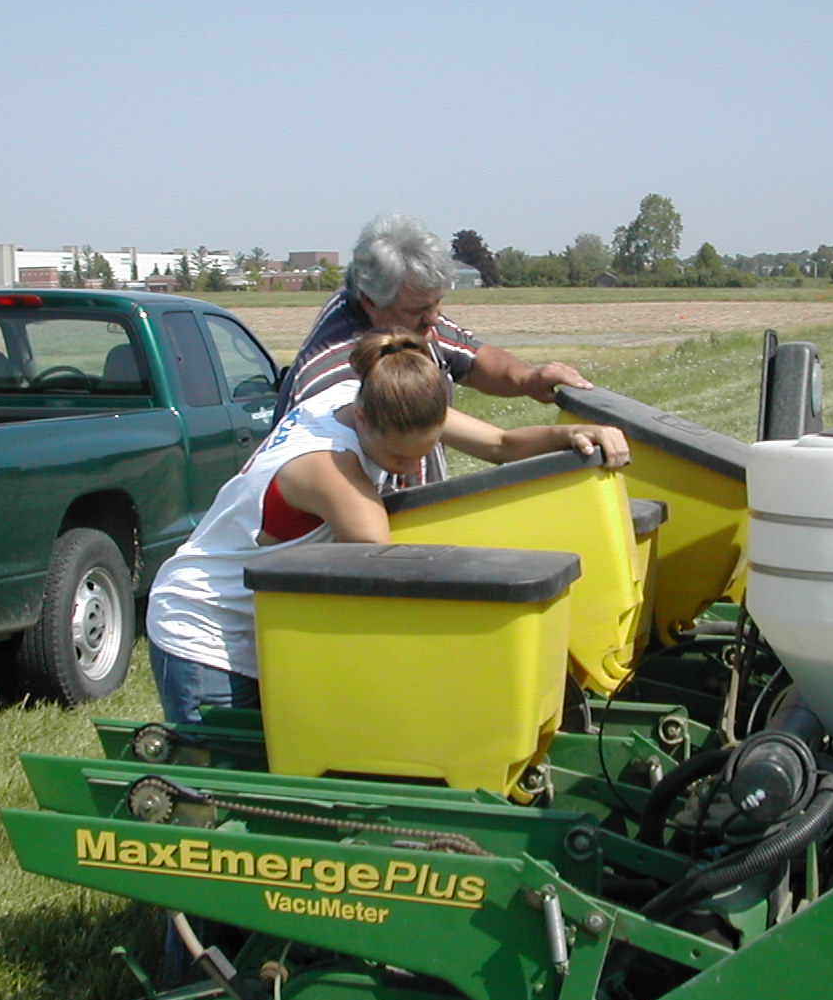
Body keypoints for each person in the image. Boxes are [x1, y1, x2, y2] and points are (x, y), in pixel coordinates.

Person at [147, 330, 630, 723]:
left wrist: (571, 434)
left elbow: (501, 442)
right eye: (399, 456)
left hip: (265, 624)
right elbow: (384, 561)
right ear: (362, 418)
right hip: (205, 629)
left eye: (426, 448)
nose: (409, 465)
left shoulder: (370, 394)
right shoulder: (328, 468)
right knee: (218, 793)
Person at [272, 213, 594, 489]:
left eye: (437, 302)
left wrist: (527, 378)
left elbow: (472, 357)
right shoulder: (338, 377)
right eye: (420, 309)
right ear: (370, 301)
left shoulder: (402, 320)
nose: (434, 318)